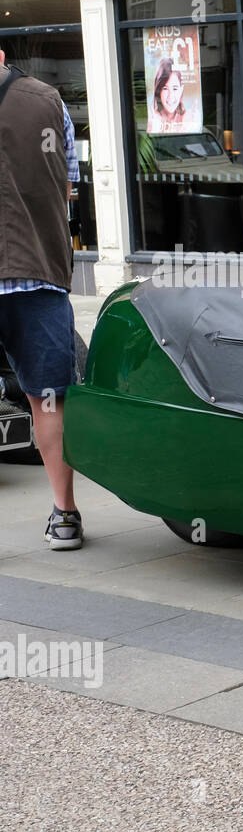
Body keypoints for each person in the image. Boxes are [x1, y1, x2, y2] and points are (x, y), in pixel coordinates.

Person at [0, 47, 83, 550]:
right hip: (37, 274)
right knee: (48, 398)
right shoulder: (49, 101)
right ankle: (65, 514)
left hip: (33, 273)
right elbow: (69, 185)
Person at [147, 57, 186, 134]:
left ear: (181, 89)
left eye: (175, 89)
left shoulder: (188, 118)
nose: (170, 96)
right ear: (158, 90)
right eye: (165, 88)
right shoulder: (152, 117)